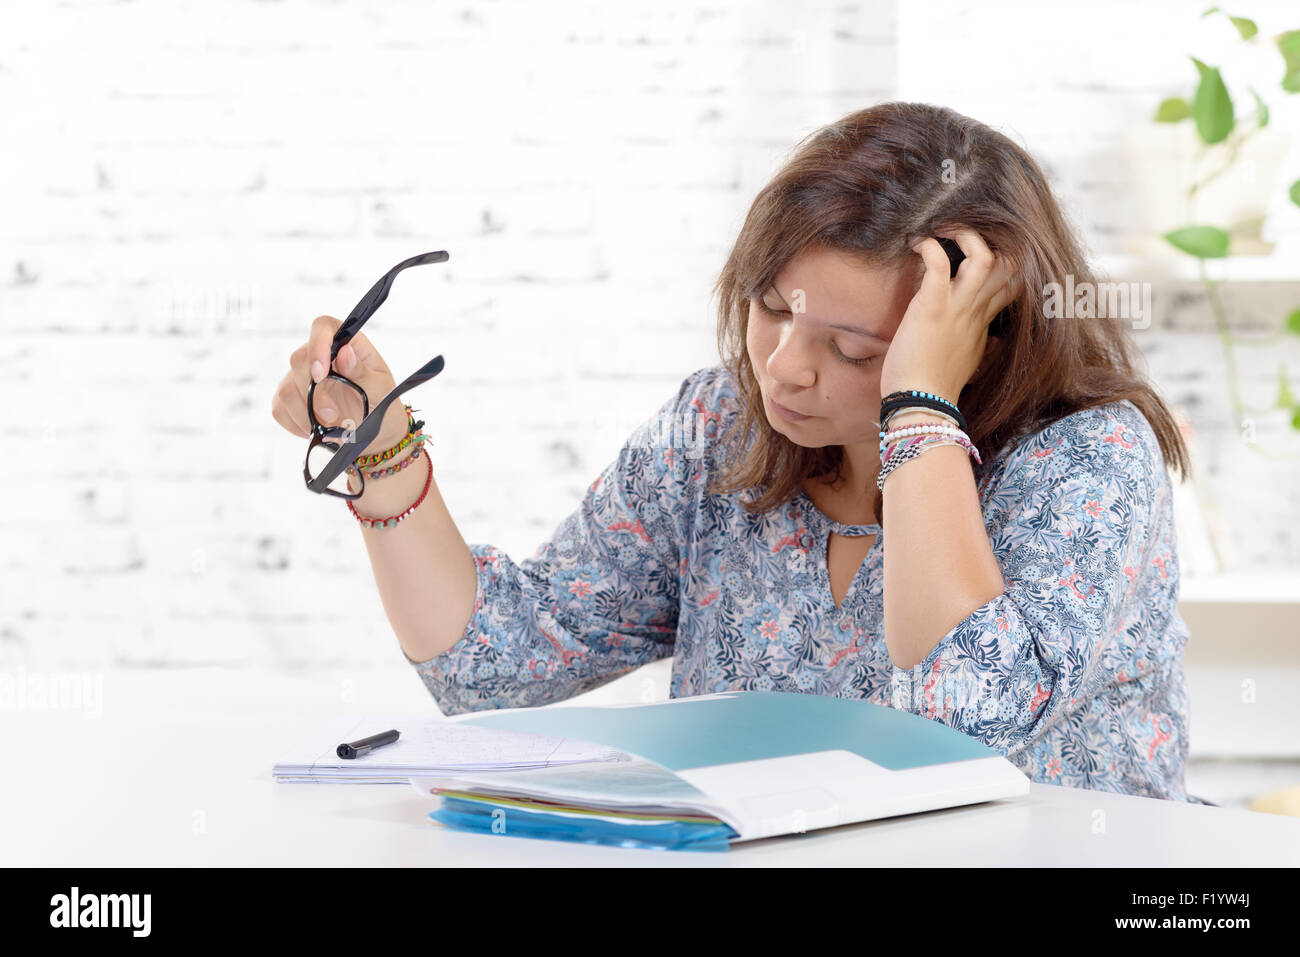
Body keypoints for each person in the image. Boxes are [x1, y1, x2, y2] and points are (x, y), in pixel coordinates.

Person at [271, 102, 1203, 803]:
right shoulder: (720, 428)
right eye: (771, 310)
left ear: (979, 338)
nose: (784, 373)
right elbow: (491, 664)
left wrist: (919, 406)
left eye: (856, 350)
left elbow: (961, 717)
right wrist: (383, 448)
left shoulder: (1088, 461)